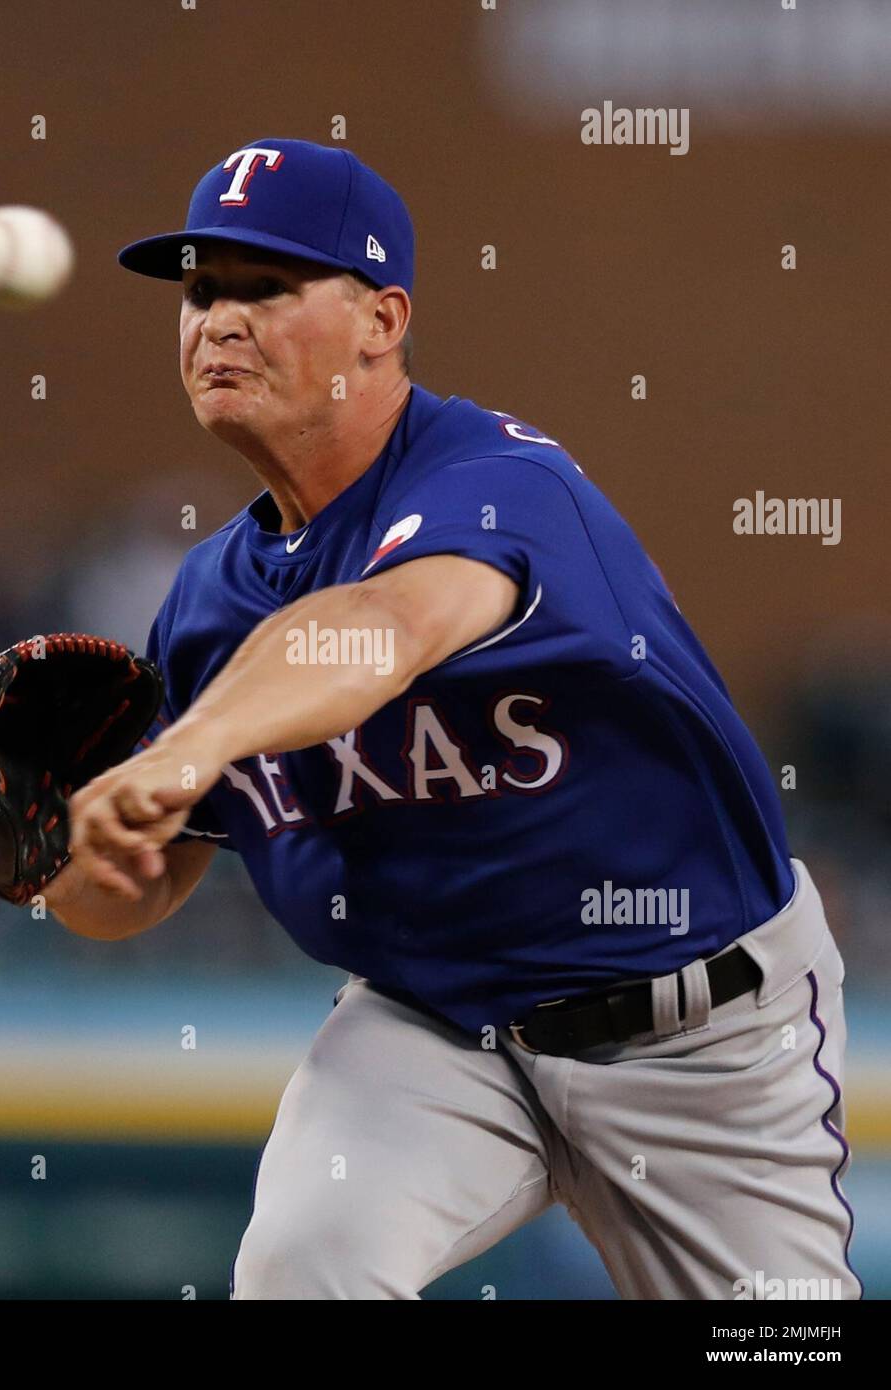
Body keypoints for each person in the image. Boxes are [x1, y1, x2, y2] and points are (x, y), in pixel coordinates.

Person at [46, 138, 859, 1301]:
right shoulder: (208, 605)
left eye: (264, 286)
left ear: (382, 320)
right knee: (301, 1269)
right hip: (433, 1032)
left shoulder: (497, 480)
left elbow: (379, 628)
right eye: (200, 289)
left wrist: (183, 746)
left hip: (698, 1034)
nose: (216, 321)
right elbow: (138, 886)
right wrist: (71, 858)